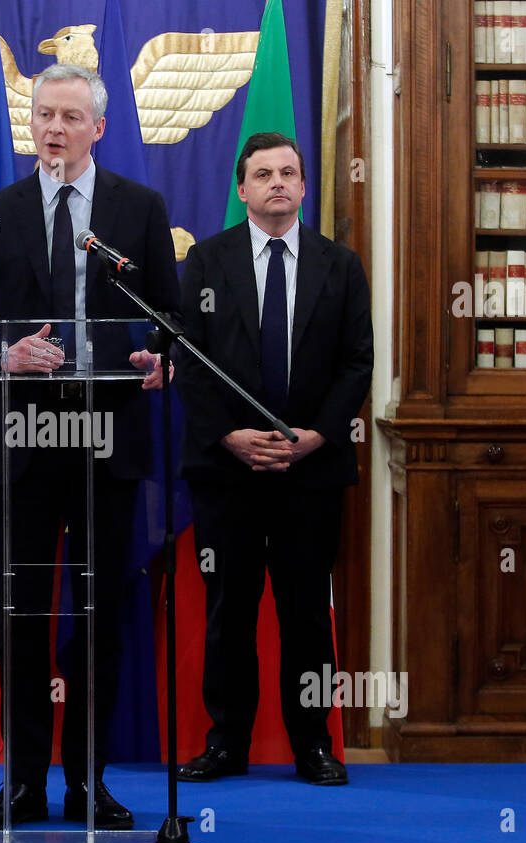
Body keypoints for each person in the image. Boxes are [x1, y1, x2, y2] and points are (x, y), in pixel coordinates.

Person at [0, 63, 180, 829]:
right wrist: (5, 353)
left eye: (70, 117)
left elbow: (169, 323)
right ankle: (21, 783)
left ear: (97, 129)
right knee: (21, 615)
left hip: (105, 438)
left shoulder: (137, 209)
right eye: (43, 114)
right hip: (21, 441)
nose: (53, 128)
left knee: (100, 614)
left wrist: (158, 358)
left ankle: (87, 781)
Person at [173, 132, 373, 786]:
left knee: (307, 614)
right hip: (227, 473)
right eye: (263, 174)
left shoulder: (340, 266)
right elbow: (189, 362)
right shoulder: (205, 263)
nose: (277, 183)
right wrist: (231, 435)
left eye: (289, 172)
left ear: (305, 186)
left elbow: (356, 363)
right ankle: (226, 743)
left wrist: (315, 433)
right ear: (242, 188)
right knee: (230, 611)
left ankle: (313, 744)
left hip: (309, 471)